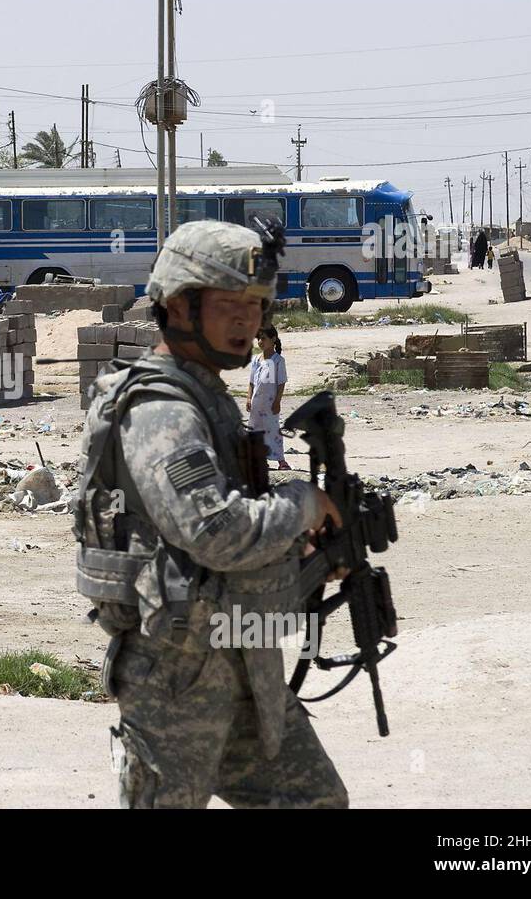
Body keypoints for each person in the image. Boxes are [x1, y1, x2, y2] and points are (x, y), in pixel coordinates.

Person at [75, 219, 350, 809]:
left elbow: (232, 527)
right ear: (177, 304)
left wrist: (307, 553)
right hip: (177, 675)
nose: (247, 321)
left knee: (314, 801)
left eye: (256, 306)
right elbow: (214, 531)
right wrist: (302, 504)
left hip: (245, 659)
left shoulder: (208, 394)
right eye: (230, 304)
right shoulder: (160, 408)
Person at [247, 325, 289, 470]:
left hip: (270, 404)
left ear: (273, 339)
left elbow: (281, 383)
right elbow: (252, 382)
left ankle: (281, 460)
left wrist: (277, 401)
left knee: (273, 430)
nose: (260, 342)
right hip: (256, 404)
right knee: (255, 430)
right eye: (258, 338)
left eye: (263, 338)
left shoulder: (278, 360)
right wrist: (248, 398)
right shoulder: (256, 360)